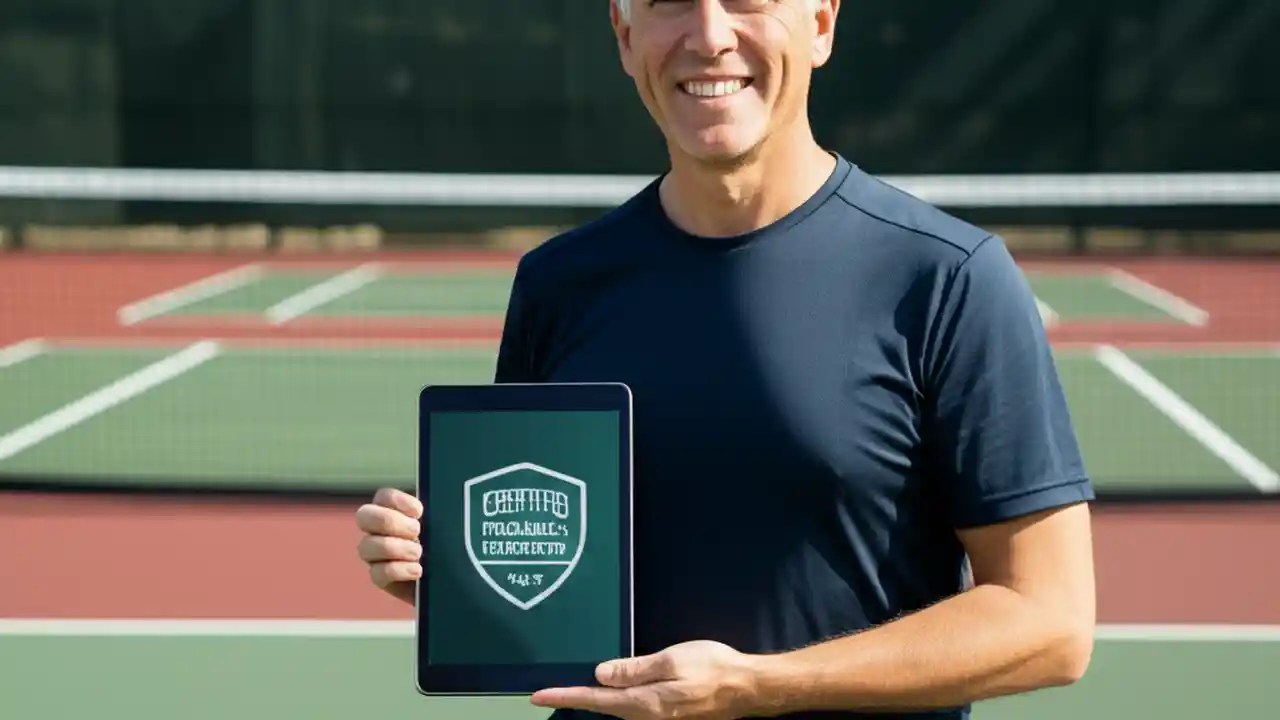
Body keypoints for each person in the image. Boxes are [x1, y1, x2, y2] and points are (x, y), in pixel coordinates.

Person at [355, 0, 1096, 718]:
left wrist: (759, 685)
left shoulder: (947, 278)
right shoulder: (558, 284)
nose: (708, 35)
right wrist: (464, 581)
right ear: (624, 34)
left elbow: (1050, 622)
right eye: (670, 3)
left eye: (747, 0)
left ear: (821, 24)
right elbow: (559, 582)